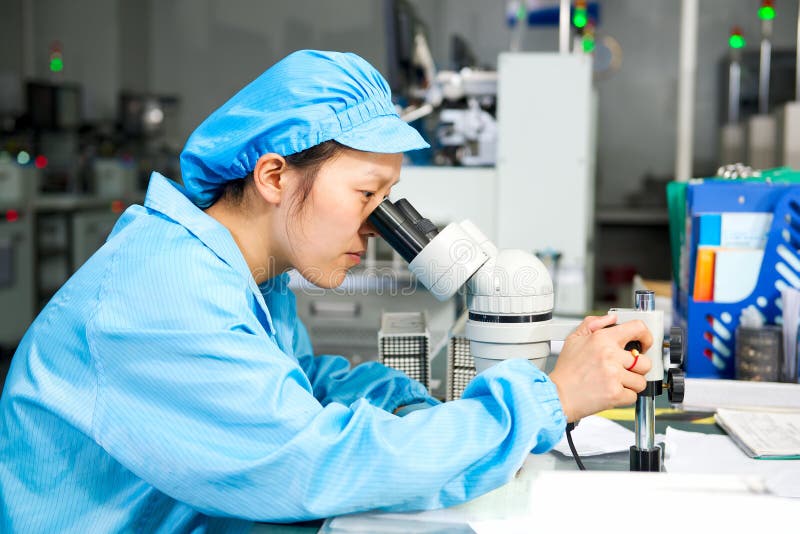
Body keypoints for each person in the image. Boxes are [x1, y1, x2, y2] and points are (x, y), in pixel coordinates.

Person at [0, 50, 652, 532]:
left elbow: (303, 386)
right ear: (275, 175)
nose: (377, 223)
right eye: (367, 194)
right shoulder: (161, 292)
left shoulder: (239, 271)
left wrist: (416, 411)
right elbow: (316, 460)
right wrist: (547, 398)